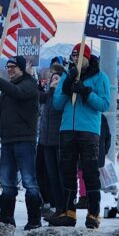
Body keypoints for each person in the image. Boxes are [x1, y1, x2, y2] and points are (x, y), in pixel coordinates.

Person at [48, 44, 111, 229]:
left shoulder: (100, 78)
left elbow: (105, 104)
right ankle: (68, 212)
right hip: (67, 128)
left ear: (87, 57)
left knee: (90, 171)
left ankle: (93, 213)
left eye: (79, 56)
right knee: (67, 171)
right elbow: (57, 104)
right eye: (73, 56)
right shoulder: (67, 76)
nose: (75, 59)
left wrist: (86, 92)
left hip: (89, 130)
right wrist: (67, 89)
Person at [0, 56, 41, 229]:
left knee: (29, 181)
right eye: (8, 67)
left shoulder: (30, 85)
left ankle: (34, 220)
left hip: (24, 140)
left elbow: (19, 93)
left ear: (22, 69)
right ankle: (6, 218)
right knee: (7, 182)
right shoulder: (8, 90)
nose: (10, 70)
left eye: (14, 67)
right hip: (7, 141)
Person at [37, 65, 66, 219]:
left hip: (58, 141)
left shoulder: (60, 95)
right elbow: (37, 95)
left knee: (60, 176)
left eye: (56, 78)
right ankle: (55, 206)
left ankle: (63, 207)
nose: (53, 81)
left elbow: (58, 107)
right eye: (52, 78)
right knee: (50, 176)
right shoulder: (48, 95)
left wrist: (56, 89)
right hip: (46, 141)